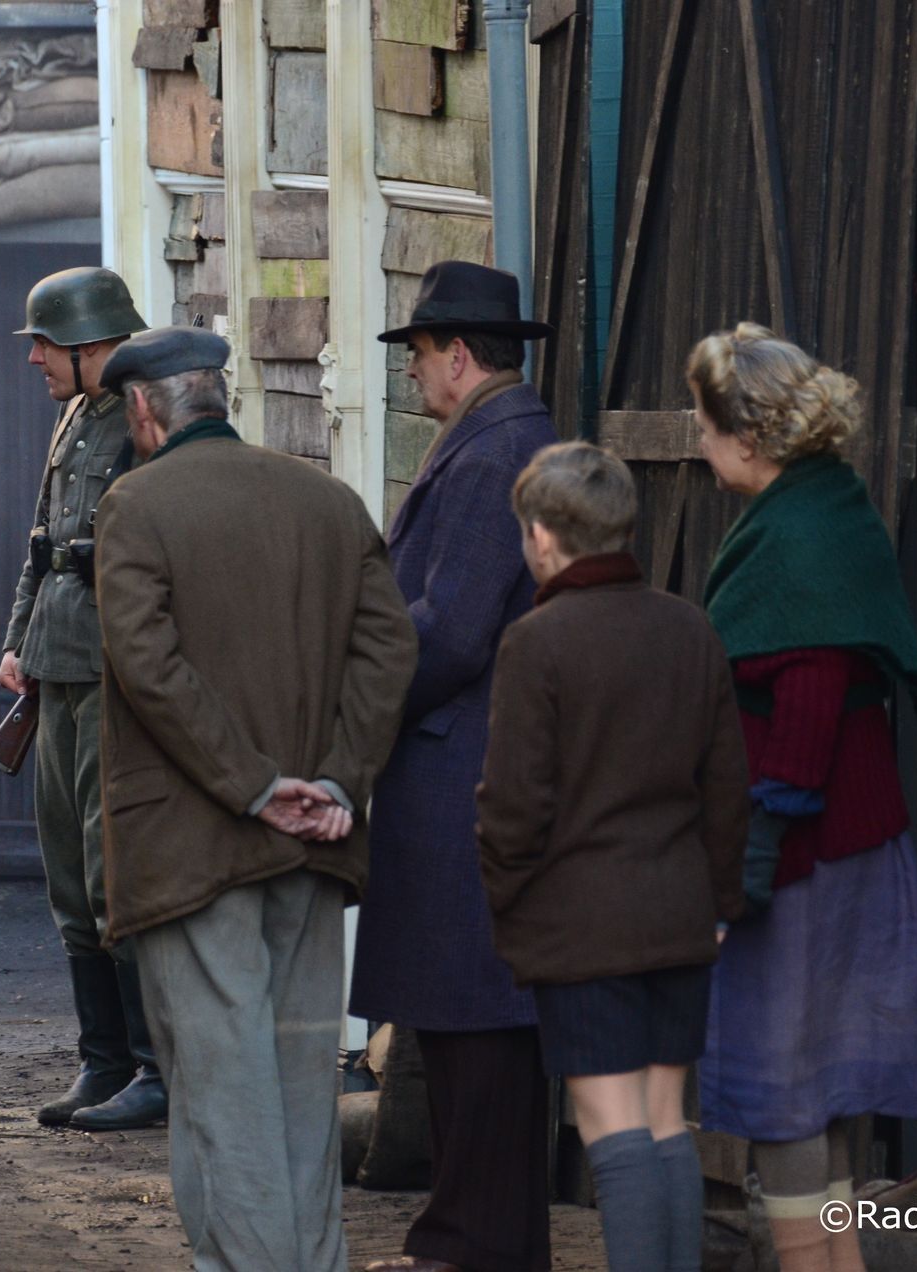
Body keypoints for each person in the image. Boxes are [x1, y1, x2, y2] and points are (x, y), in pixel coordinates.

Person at [90, 327, 418, 1272]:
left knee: (223, 1093)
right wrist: (336, 783)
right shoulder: (329, 501)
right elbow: (390, 652)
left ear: (145, 411)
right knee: (300, 1093)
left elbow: (148, 667)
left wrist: (254, 788)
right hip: (317, 843)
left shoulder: (134, 504)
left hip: (194, 855)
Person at [687, 324, 917, 1272]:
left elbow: (804, 707)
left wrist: (752, 854)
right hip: (847, 845)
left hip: (804, 855)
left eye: (706, 423)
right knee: (830, 1089)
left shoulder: (798, 537)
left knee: (789, 1091)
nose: (697, 437)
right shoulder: (824, 508)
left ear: (749, 440)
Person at [476, 441, 750, 1272]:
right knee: (666, 1121)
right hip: (679, 919)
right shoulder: (690, 628)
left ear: (544, 538)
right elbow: (728, 787)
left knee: (613, 1129)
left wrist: (508, 902)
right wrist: (719, 905)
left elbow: (513, 807)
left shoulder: (536, 643)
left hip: (582, 927)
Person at [349, 261, 560, 1272]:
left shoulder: (493, 455)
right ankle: (480, 1240)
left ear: (461, 357)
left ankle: (471, 1247)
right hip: (467, 766)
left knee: (476, 1032)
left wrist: (358, 682)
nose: (413, 372)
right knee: (474, 1033)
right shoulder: (500, 439)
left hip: (460, 775)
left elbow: (453, 629)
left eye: (421, 352)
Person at [0, 266, 168, 1132]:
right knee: (69, 874)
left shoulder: (146, 418)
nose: (34, 360)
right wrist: (17, 641)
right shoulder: (72, 415)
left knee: (114, 876)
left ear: (91, 346)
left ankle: (150, 1066)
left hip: (111, 669)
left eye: (45, 344)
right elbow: (41, 539)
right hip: (58, 663)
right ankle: (101, 1063)